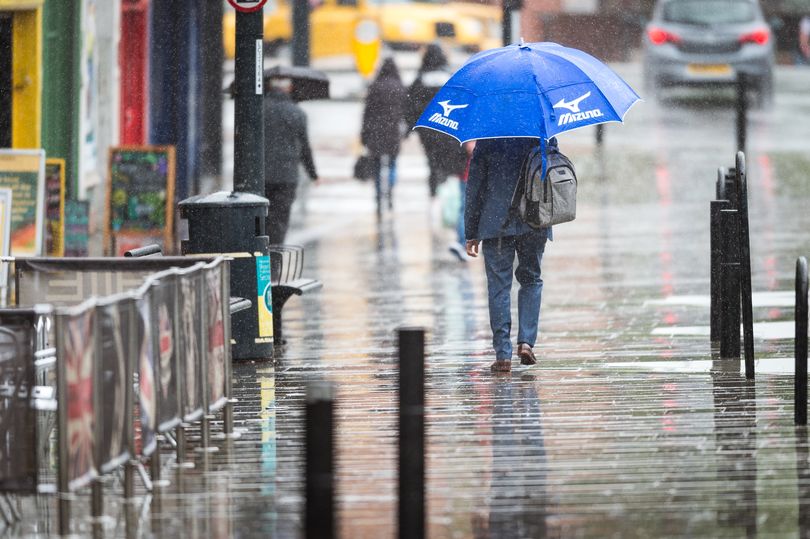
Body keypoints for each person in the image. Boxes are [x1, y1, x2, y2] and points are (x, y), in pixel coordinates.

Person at [464, 137, 552, 373]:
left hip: (496, 222)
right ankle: (526, 341)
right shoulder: (541, 129)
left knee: (499, 286)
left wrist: (471, 231)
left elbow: (474, 186)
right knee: (531, 279)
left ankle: (503, 354)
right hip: (534, 219)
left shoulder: (488, 136)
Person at [407, 44, 468, 198]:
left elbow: (411, 106)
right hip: (448, 127)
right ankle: (449, 193)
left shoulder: (421, 78)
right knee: (451, 162)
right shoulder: (450, 77)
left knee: (433, 163)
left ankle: (434, 192)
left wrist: (413, 127)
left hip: (428, 131)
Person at [264, 78, 319, 245]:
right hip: (287, 177)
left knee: (261, 221)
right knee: (280, 221)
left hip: (262, 175)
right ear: (289, 89)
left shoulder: (259, 109)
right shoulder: (297, 113)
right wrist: (313, 174)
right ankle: (274, 263)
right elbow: (305, 148)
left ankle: (260, 264)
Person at [360, 58, 408, 216]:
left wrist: (364, 134)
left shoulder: (375, 87)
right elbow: (405, 112)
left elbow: (367, 113)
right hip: (393, 132)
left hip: (376, 132)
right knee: (393, 164)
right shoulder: (400, 87)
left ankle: (379, 194)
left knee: (377, 165)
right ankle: (390, 192)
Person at [449, 140, 476, 261]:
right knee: (465, 209)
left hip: (471, 175)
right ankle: (462, 243)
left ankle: (463, 242)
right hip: (468, 176)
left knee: (466, 209)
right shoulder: (473, 128)